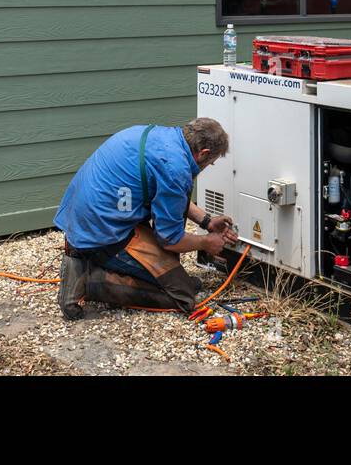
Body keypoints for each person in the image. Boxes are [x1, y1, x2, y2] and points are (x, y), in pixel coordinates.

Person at [54, 117, 238, 319]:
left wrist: (207, 221)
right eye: (210, 162)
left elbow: (168, 194)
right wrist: (205, 243)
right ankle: (88, 279)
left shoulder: (165, 140)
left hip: (86, 216)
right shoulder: (176, 167)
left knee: (179, 277)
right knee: (183, 296)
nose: (208, 166)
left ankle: (85, 257)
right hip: (104, 232)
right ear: (203, 153)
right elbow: (170, 239)